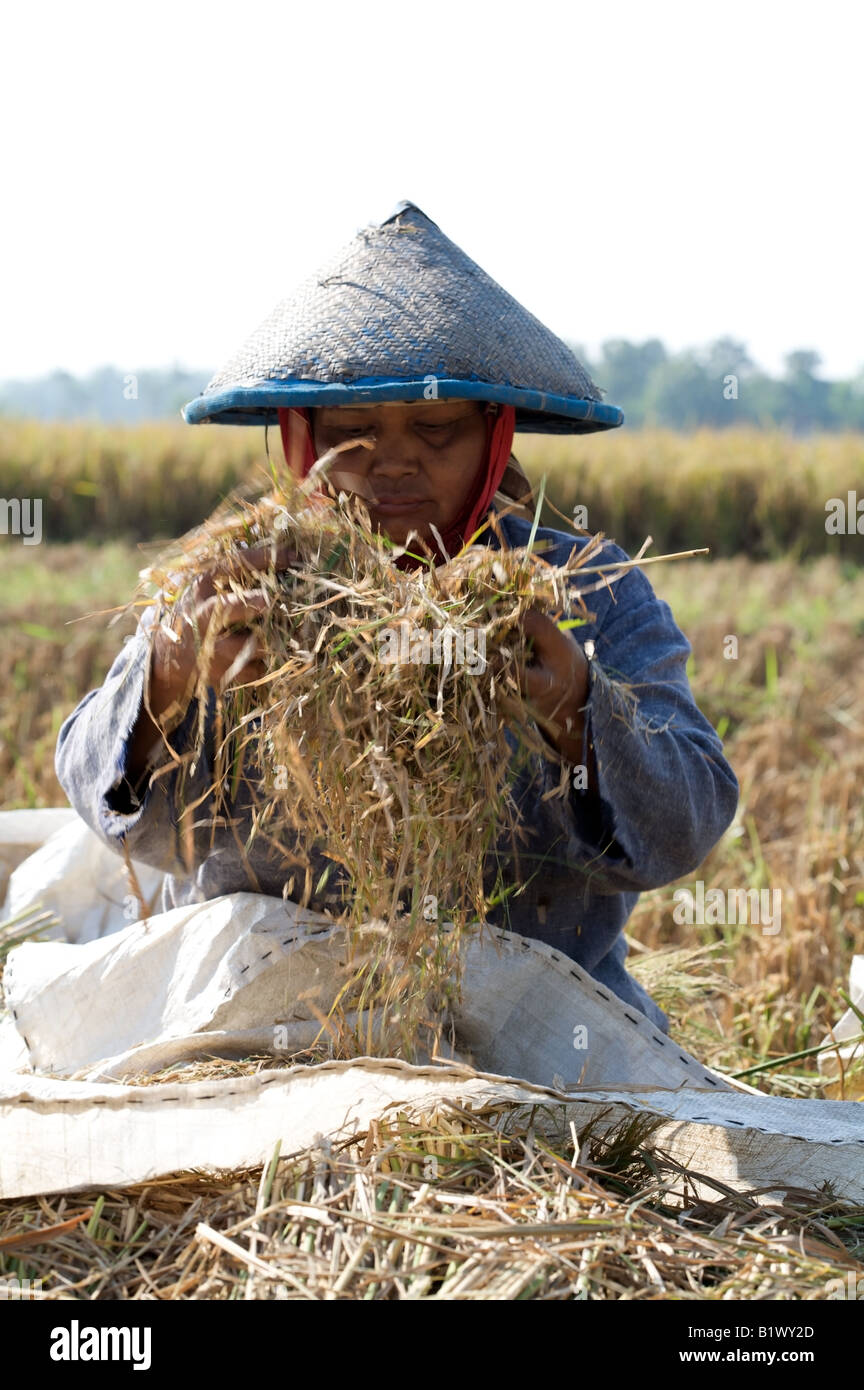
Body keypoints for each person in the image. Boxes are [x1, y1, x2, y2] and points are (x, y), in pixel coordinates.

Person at [55, 203, 739, 1033]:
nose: (394, 460)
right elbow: (108, 804)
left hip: (535, 1032)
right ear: (302, 437)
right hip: (263, 1019)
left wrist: (578, 713)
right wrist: (167, 681)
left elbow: (688, 823)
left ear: (497, 434)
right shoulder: (231, 591)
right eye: (351, 431)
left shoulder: (585, 593)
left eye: (437, 428)